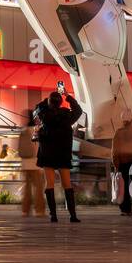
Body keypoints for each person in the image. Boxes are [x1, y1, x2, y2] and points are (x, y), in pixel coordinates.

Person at [33, 91, 84, 222]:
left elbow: (37, 108)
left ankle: (53, 215)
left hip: (47, 154)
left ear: (49, 102)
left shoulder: (44, 115)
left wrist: (47, 101)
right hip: (63, 154)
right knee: (67, 184)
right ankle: (73, 215)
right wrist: (67, 96)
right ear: (61, 102)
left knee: (49, 184)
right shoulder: (67, 115)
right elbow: (78, 110)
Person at [111, 118, 132, 216]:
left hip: (122, 162)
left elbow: (115, 149)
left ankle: (125, 209)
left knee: (123, 186)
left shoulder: (119, 132)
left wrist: (116, 164)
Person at [15, 115, 45, 217]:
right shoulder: (36, 131)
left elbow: (18, 149)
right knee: (38, 189)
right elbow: (39, 148)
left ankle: (25, 210)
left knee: (27, 189)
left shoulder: (23, 131)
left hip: (25, 164)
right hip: (36, 165)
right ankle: (39, 211)